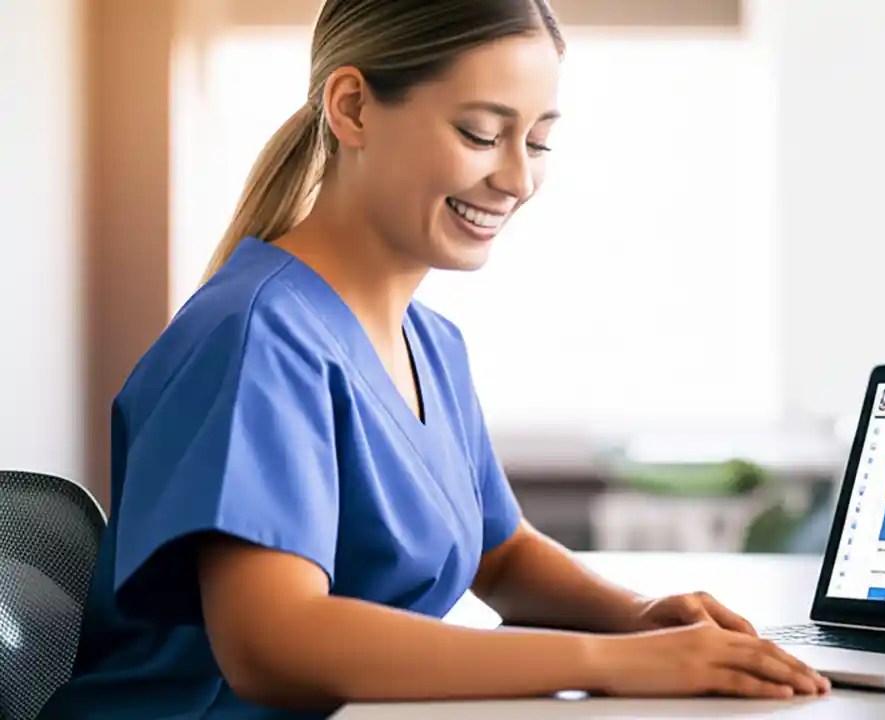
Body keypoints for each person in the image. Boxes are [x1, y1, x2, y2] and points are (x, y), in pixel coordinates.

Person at [39, 1, 828, 717]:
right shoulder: (256, 337)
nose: (518, 178)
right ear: (352, 108)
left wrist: (639, 616)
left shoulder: (431, 344)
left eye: (539, 139)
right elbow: (275, 642)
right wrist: (613, 663)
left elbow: (503, 552)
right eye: (481, 134)